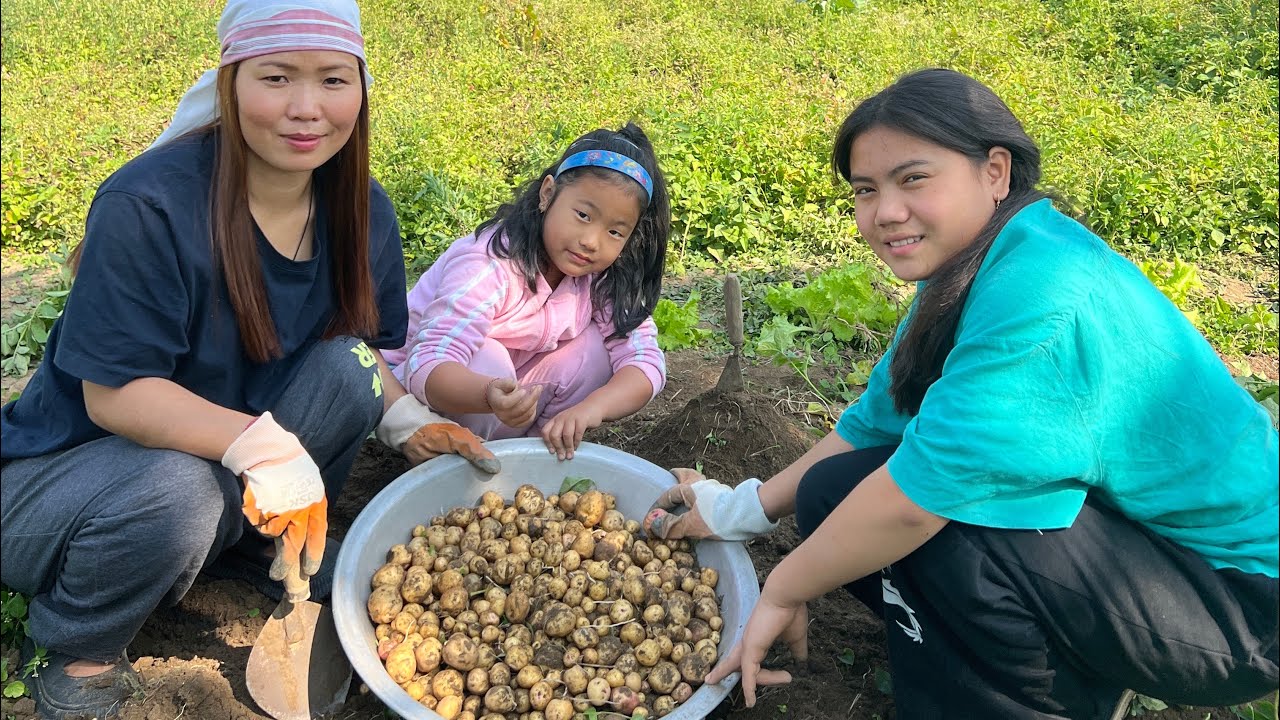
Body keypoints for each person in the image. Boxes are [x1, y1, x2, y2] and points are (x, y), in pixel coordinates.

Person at [647, 68, 1279, 719]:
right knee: (832, 491)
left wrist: (781, 589)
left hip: (1237, 605)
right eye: (866, 190)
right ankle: (1044, 663)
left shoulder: (1041, 294)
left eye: (913, 179)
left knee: (949, 528)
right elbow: (870, 426)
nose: (886, 212)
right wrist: (739, 510)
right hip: (1143, 546)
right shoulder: (978, 263)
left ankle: (1047, 700)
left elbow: (916, 504)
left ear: (996, 172)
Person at [0, 2, 498, 717]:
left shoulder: (361, 209)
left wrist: (407, 420)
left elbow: (351, 351)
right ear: (231, 82)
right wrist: (259, 446)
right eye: (276, 77)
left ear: (361, 87)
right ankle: (76, 649)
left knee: (345, 369)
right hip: (67, 487)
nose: (306, 109)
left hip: (204, 470)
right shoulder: (149, 207)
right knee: (182, 489)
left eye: (333, 79)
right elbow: (115, 399)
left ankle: (266, 556)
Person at [383, 123, 671, 461]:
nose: (592, 242)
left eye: (614, 231)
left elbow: (645, 361)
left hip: (508, 398)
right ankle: (458, 465)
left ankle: (531, 458)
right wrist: (489, 393)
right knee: (490, 361)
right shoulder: (488, 263)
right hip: (424, 395)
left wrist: (592, 409)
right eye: (582, 215)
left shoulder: (600, 276)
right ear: (547, 194)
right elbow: (427, 364)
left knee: (596, 351)